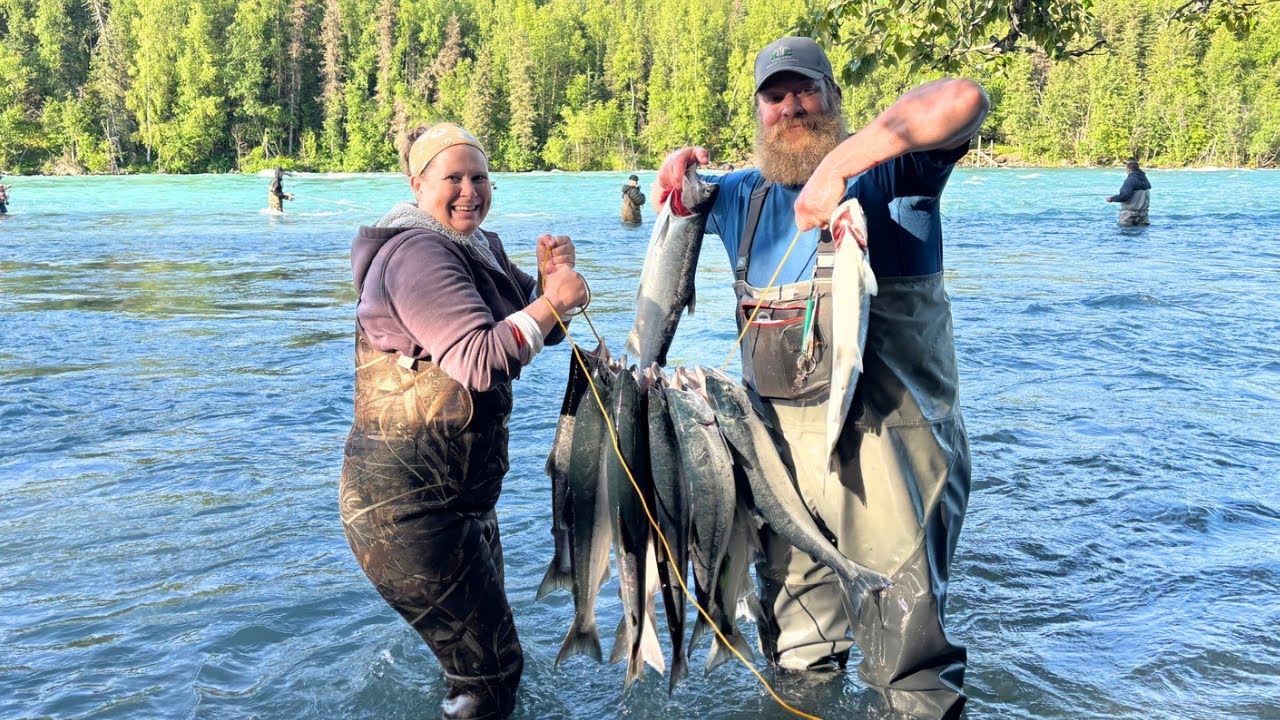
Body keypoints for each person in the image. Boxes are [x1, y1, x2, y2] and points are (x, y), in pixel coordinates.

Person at [653, 37, 987, 719]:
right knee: (797, 661)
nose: (790, 107)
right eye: (774, 96)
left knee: (909, 669)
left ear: (834, 98)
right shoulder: (741, 198)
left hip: (891, 460)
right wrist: (675, 175)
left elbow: (964, 99)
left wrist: (841, 164)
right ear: (757, 111)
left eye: (805, 90)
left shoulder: (896, 177)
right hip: (782, 471)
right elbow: (678, 203)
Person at [339, 122, 587, 720]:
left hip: (462, 501)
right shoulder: (417, 253)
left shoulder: (476, 246)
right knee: (491, 674)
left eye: (479, 177)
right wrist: (550, 301)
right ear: (417, 183)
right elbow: (479, 359)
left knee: (481, 668)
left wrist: (551, 288)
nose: (469, 191)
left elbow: (541, 334)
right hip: (405, 511)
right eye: (453, 178)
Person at [1106, 160, 1151, 226]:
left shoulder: (1130, 179)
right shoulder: (1144, 179)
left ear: (1129, 169)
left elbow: (1125, 196)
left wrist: (1112, 199)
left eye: (1126, 169)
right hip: (1143, 215)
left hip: (1129, 215)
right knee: (1141, 234)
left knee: (1126, 234)